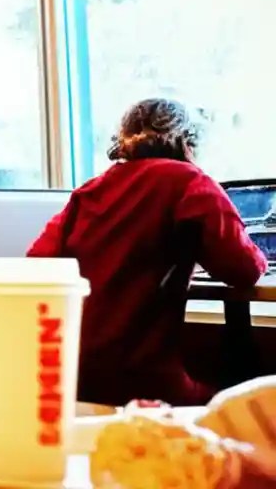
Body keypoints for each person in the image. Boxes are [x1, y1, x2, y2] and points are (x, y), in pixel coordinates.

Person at [28, 97, 267, 406]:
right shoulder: (191, 182)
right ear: (187, 141)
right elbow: (244, 269)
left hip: (72, 378)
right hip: (145, 381)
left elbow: (36, 263)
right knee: (239, 398)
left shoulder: (91, 190)